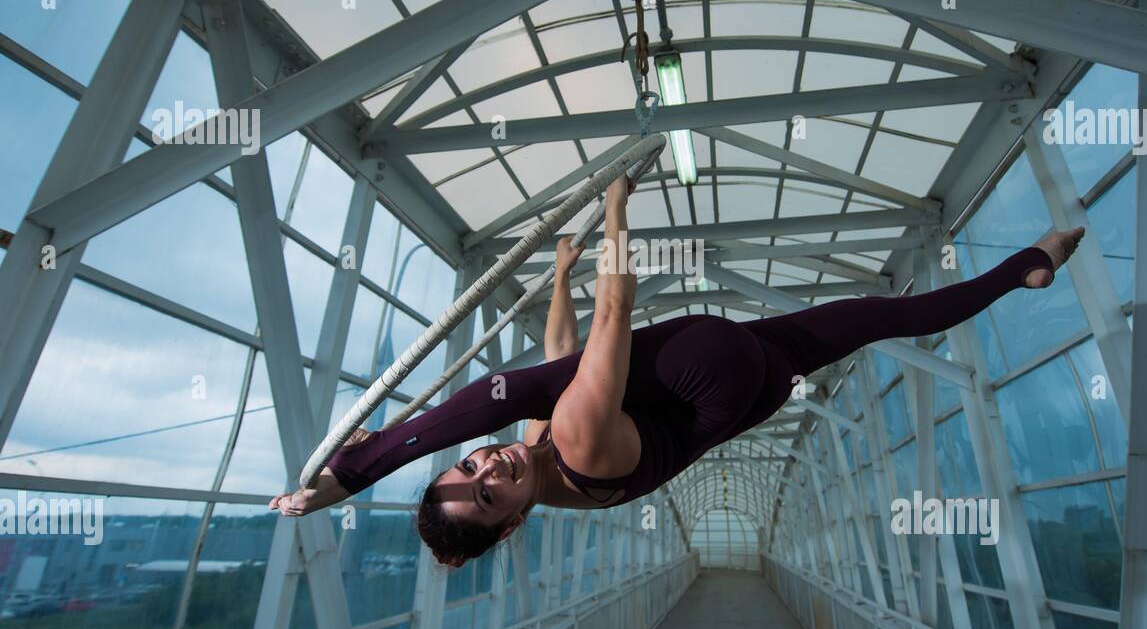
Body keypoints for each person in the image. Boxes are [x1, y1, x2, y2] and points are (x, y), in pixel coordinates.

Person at [270, 171, 1083, 568]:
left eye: (472, 463)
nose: (495, 463)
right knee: (519, 388)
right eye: (490, 492)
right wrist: (618, 206)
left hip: (750, 384)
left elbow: (563, 353)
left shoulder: (546, 454)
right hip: (717, 373)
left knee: (883, 317)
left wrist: (558, 277)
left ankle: (1025, 267)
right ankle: (359, 468)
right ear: (514, 521)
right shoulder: (580, 447)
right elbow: (615, 315)